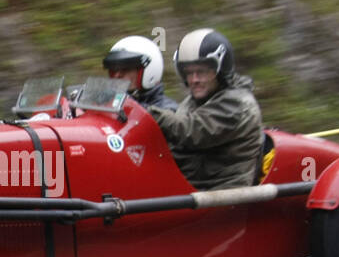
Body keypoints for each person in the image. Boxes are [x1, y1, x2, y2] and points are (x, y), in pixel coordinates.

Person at [148, 28, 264, 190]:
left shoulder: (238, 103)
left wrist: (148, 112)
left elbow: (192, 130)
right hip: (192, 189)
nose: (194, 79)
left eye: (201, 72)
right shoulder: (196, 100)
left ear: (220, 71)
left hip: (223, 194)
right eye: (188, 72)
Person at [102, 36, 178, 111]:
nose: (117, 75)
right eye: (113, 70)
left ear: (149, 71)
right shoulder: (109, 106)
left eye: (125, 69)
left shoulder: (168, 112)